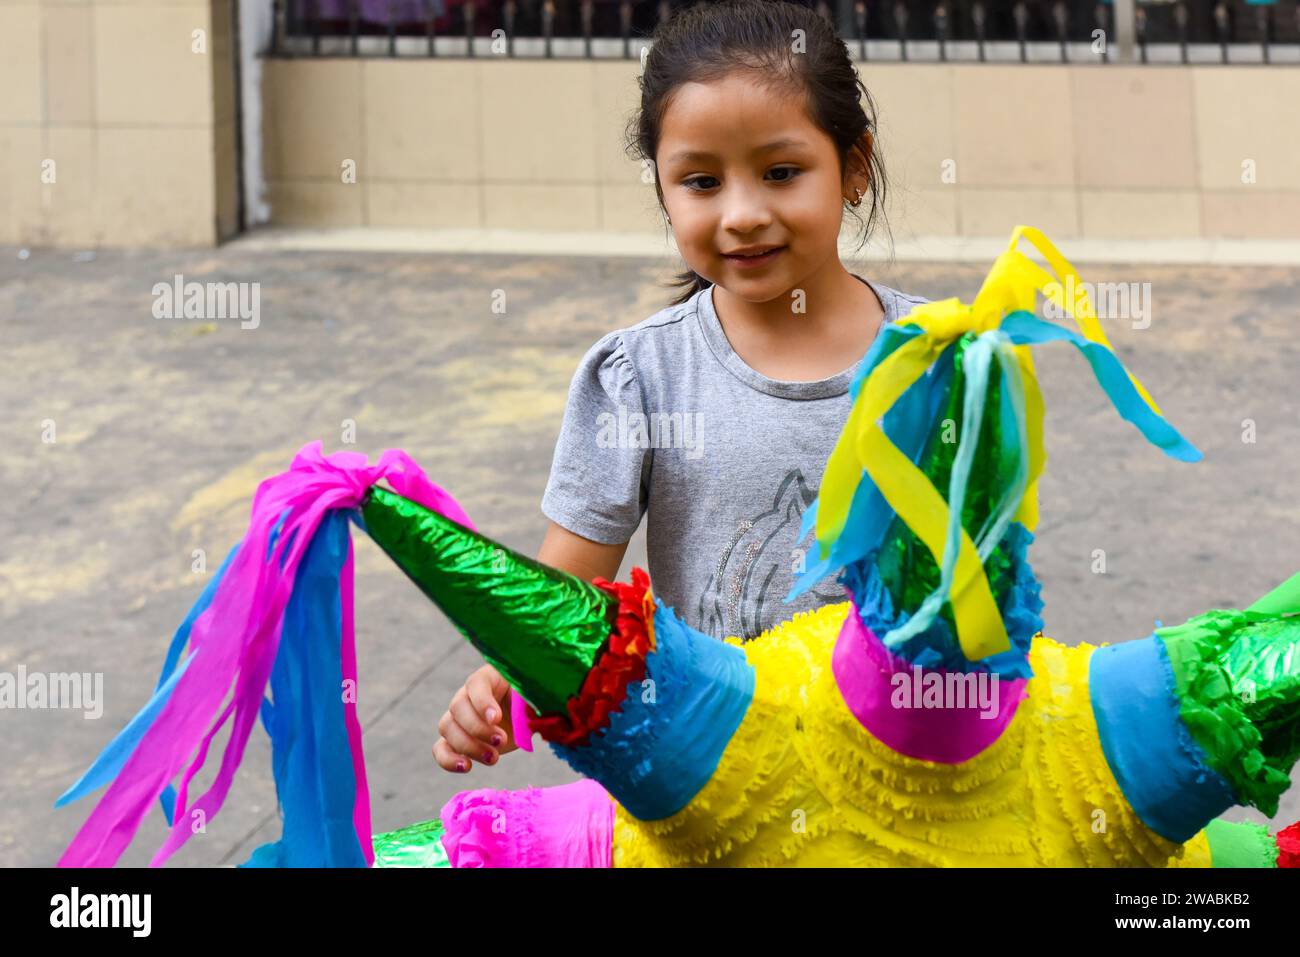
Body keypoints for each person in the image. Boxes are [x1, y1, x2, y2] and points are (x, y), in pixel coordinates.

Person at [433, 0, 930, 773]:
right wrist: (502, 674)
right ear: (663, 191)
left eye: (781, 172)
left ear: (855, 166)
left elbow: (984, 580)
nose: (742, 214)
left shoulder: (939, 360)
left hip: (902, 774)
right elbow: (570, 583)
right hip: (712, 784)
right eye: (701, 181)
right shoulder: (641, 377)